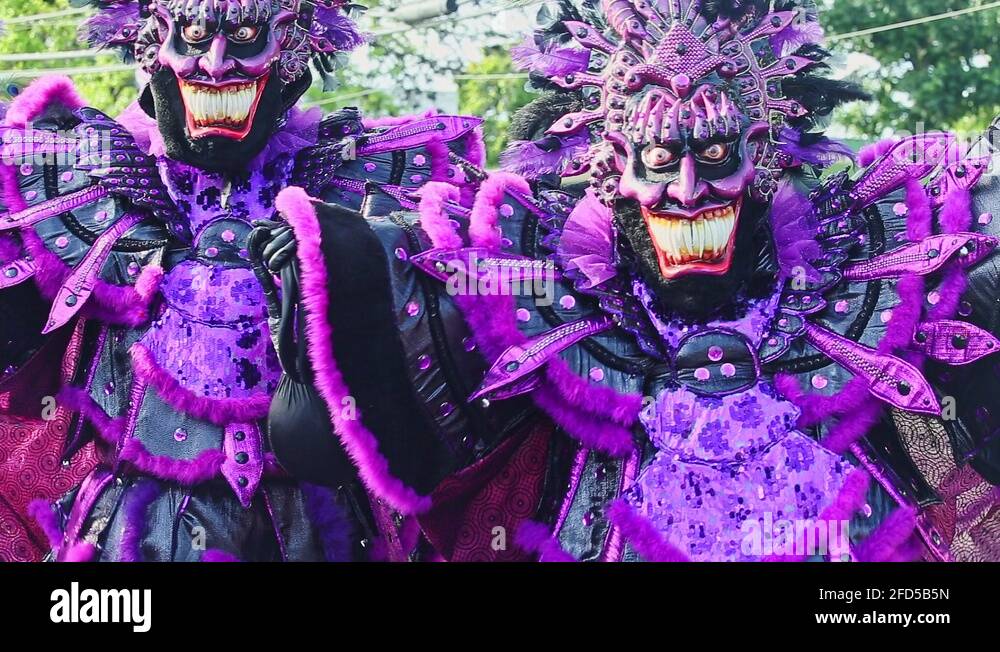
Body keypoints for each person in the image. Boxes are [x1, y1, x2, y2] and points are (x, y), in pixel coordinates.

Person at [259, 0, 1000, 561]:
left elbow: (958, 501)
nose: (687, 188)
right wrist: (323, 296)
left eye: (713, 153)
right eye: (657, 158)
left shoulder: (876, 294)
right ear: (610, 163)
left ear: (765, 154)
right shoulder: (521, 300)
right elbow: (320, 447)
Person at [0, 0, 484, 562]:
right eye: (194, 33)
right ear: (151, 43)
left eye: (247, 34)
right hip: (142, 532)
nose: (216, 61)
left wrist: (345, 269)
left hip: (323, 525)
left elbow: (438, 382)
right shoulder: (79, 173)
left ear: (294, 50)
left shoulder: (358, 191)